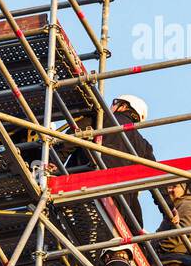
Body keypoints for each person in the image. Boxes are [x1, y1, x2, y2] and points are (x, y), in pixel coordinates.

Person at [66, 94, 155, 231]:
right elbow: (155, 178)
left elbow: (69, 140)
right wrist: (168, 209)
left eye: (114, 103)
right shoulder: (144, 145)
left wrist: (52, 163)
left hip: (81, 182)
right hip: (119, 203)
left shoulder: (102, 117)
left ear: (123, 106)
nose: (110, 106)